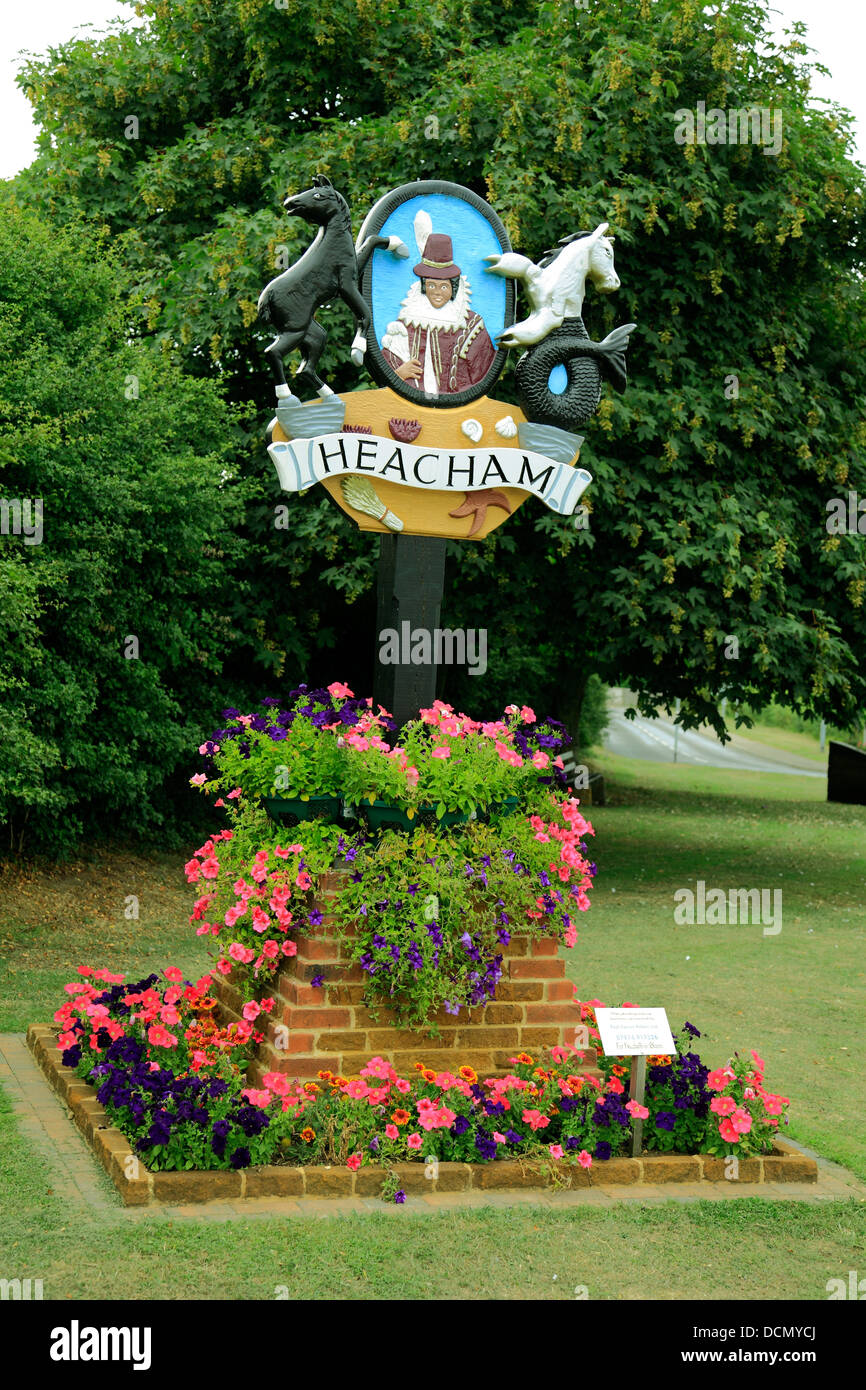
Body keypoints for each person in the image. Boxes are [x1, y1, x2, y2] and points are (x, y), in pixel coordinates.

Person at [381, 232, 496, 395]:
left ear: (454, 289)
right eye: (431, 285)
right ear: (423, 287)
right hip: (410, 408)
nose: (436, 292)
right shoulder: (409, 323)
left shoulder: (471, 325)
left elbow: (484, 372)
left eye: (443, 287)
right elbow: (385, 369)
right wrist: (399, 373)